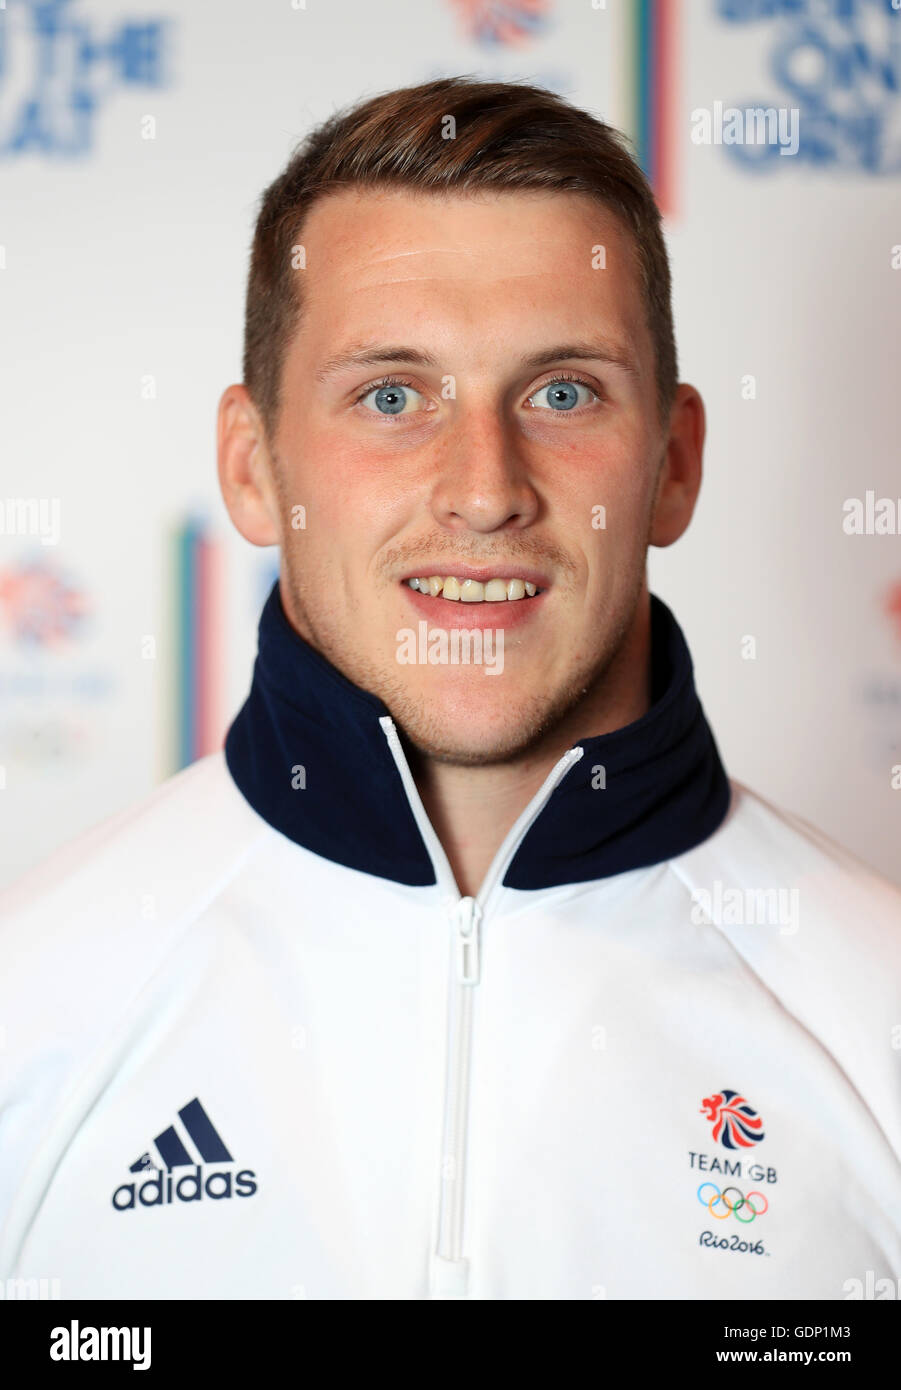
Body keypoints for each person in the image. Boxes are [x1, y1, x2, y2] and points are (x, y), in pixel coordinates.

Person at [1, 76, 899, 1302]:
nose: (484, 490)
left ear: (675, 465)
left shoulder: (874, 1008)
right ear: (253, 465)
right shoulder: (35, 998)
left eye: (562, 391)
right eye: (390, 395)